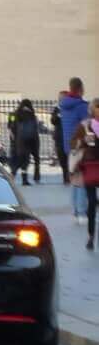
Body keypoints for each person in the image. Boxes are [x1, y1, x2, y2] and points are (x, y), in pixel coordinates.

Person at [58, 79, 90, 219]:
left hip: (68, 146)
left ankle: (76, 210)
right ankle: (82, 212)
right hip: (81, 145)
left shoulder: (64, 105)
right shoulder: (81, 106)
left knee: (75, 179)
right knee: (82, 179)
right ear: (80, 88)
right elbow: (89, 126)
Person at [71, 98, 99, 250]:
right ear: (92, 110)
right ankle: (91, 236)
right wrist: (83, 140)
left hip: (91, 166)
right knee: (92, 203)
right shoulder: (85, 125)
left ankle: (91, 236)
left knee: (93, 203)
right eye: (97, 108)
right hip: (91, 167)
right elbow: (73, 142)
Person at [10, 99, 42, 184]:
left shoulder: (15, 114)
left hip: (21, 140)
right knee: (35, 159)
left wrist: (14, 139)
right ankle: (35, 177)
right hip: (33, 139)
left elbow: (11, 126)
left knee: (22, 159)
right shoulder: (32, 114)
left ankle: (15, 174)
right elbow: (36, 127)